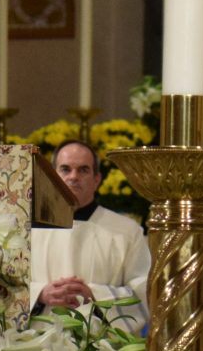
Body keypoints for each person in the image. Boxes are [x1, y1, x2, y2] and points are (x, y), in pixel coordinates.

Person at [28, 139, 152, 330]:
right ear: (52, 176)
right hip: (37, 348)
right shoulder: (29, 229)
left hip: (102, 350)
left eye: (83, 170)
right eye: (65, 169)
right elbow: (4, 289)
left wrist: (95, 296)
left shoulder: (126, 231)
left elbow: (145, 291)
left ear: (97, 179)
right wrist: (40, 294)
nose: (73, 177)